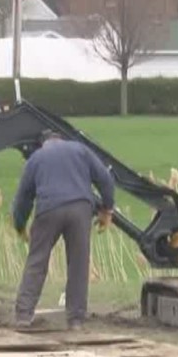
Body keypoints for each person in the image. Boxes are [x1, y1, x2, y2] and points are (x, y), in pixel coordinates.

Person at [11, 129, 115, 330]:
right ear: (61, 140)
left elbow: (23, 197)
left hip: (49, 209)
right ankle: (75, 319)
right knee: (78, 264)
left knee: (37, 261)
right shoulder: (80, 150)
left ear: (44, 143)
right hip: (80, 209)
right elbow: (105, 179)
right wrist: (107, 209)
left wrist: (20, 225)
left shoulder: (36, 158)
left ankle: (24, 315)